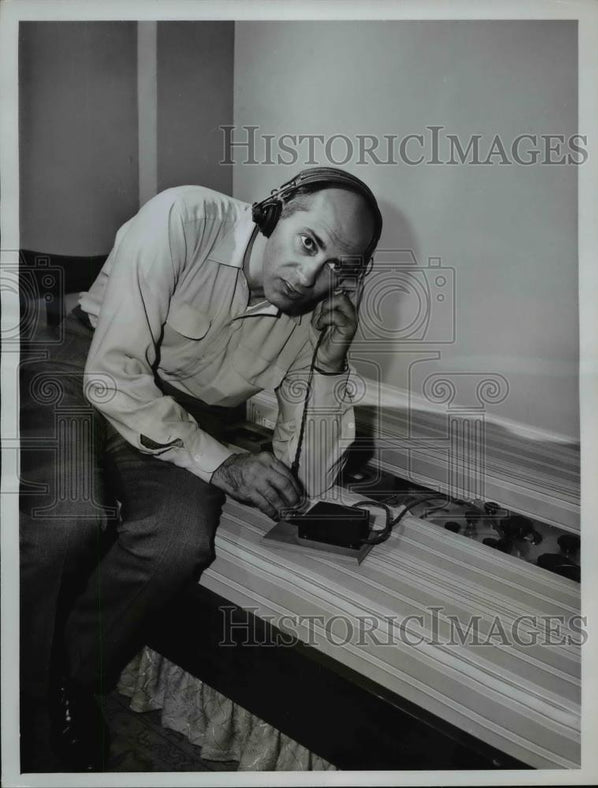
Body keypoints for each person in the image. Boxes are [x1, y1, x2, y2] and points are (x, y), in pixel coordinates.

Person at [19, 167, 382, 772]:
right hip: (89, 362)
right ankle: (20, 701)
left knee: (178, 545)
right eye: (310, 244)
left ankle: (71, 678)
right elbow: (113, 375)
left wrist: (329, 364)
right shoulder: (182, 218)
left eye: (340, 268)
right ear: (275, 209)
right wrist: (224, 464)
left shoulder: (313, 317)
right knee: (67, 522)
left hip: (191, 414)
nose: (311, 278)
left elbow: (308, 478)